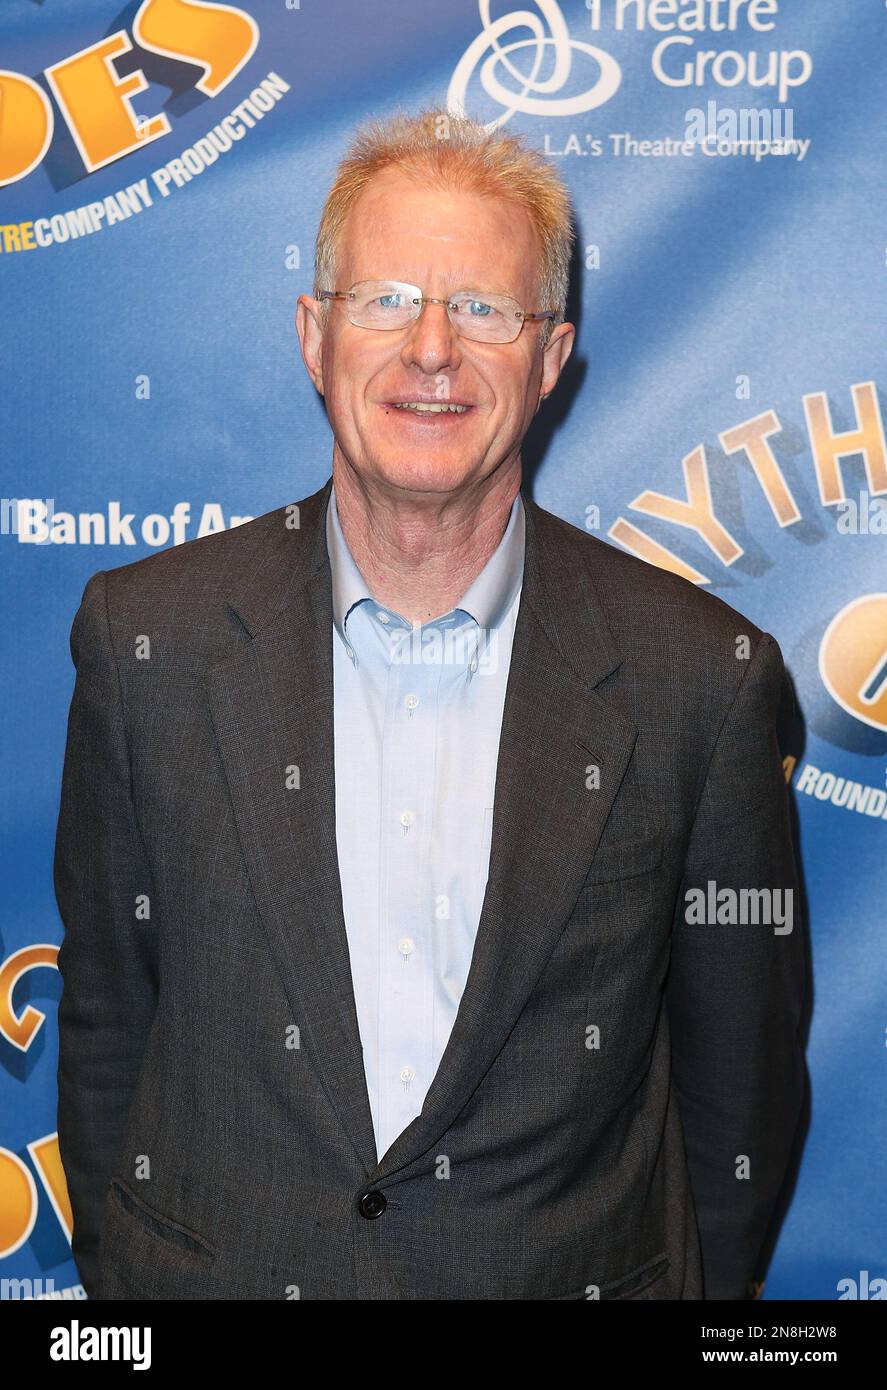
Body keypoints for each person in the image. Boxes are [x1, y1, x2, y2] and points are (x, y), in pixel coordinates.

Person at [54, 107, 806, 1301]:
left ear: (550, 356)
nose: (431, 351)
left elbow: (741, 1090)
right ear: (315, 335)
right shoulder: (148, 641)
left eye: (484, 309)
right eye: (387, 298)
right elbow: (106, 1029)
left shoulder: (698, 679)